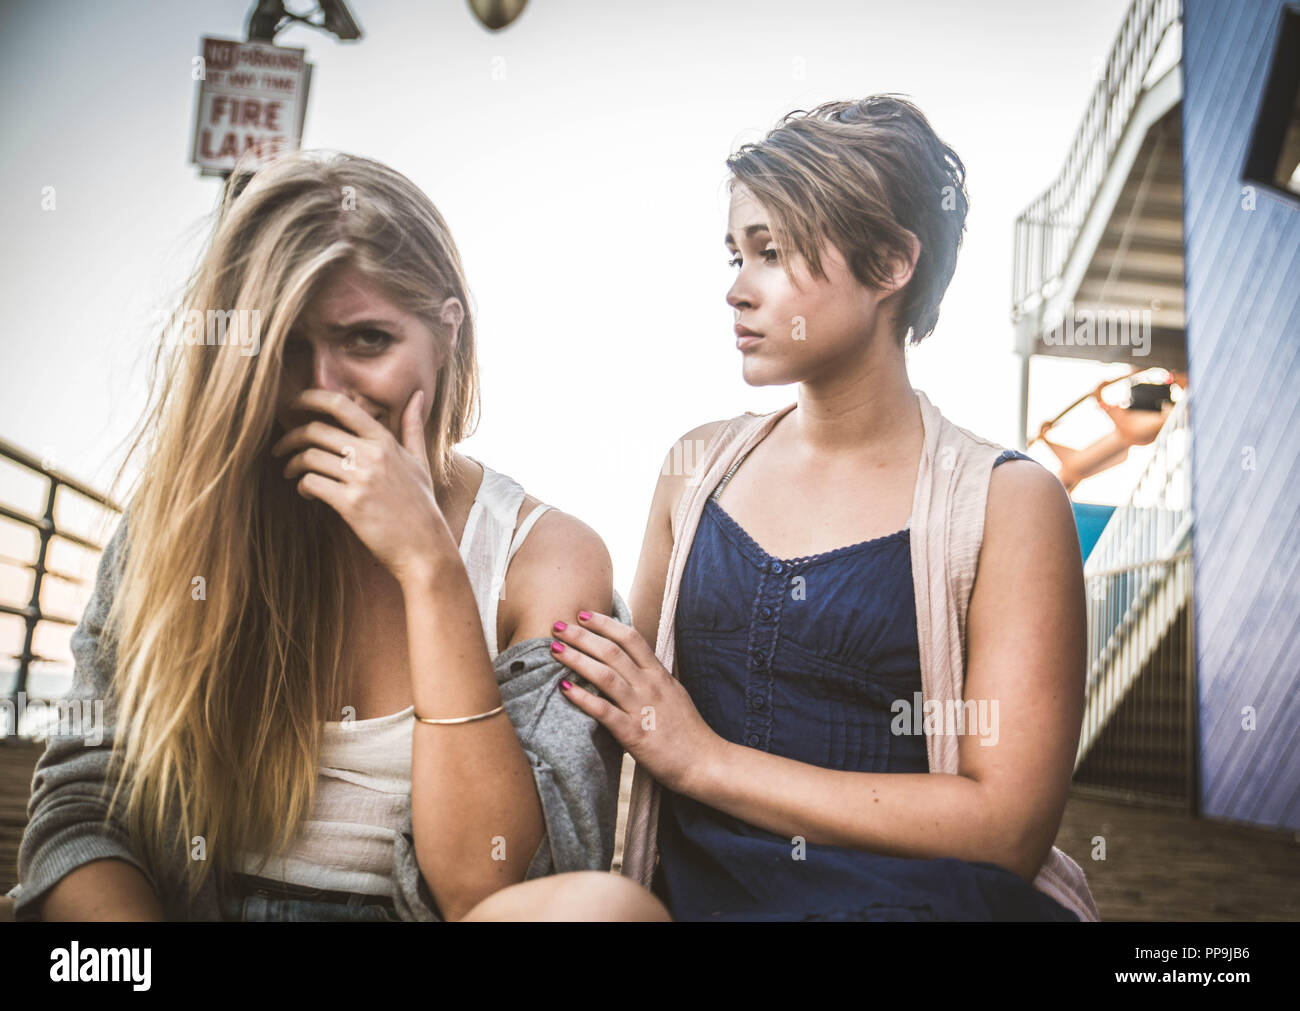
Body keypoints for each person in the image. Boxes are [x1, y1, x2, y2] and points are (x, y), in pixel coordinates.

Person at [468, 95, 1099, 920]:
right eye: (733, 255)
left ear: (889, 264)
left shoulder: (1008, 500)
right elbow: (613, 711)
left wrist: (705, 761)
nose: (736, 289)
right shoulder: (694, 471)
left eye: (769, 253)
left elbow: (1008, 825)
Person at [9, 150, 665, 922]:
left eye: (365, 342)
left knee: (609, 912)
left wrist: (431, 569)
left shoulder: (544, 555)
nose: (324, 390)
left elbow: (489, 889)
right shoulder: (182, 523)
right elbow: (84, 811)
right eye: (287, 349)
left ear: (446, 333)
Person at [1037, 371, 1187, 493]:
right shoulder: (1073, 468)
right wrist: (1045, 438)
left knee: (1170, 414)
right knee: (1170, 414)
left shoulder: (1079, 471)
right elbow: (1124, 428)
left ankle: (1181, 391)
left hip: (1136, 436)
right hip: (1132, 433)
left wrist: (1045, 438)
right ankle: (1182, 388)